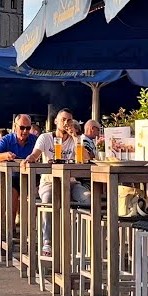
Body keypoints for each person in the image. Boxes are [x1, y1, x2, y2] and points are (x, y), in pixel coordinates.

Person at [23, 110, 91, 257]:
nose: (66, 123)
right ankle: (47, 241)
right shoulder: (45, 137)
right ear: (56, 121)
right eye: (63, 120)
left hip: (71, 182)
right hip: (49, 182)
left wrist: (75, 137)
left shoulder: (76, 139)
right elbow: (35, 154)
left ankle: (84, 243)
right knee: (48, 199)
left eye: (69, 120)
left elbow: (86, 159)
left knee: (89, 198)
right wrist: (29, 159)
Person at [0, 114, 38, 223]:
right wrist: (5, 155)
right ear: (15, 126)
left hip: (31, 176)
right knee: (12, 189)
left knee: (39, 189)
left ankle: (30, 226)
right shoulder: (7, 139)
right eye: (22, 128)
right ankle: (11, 226)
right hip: (11, 177)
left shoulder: (35, 140)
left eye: (28, 128)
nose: (25, 131)